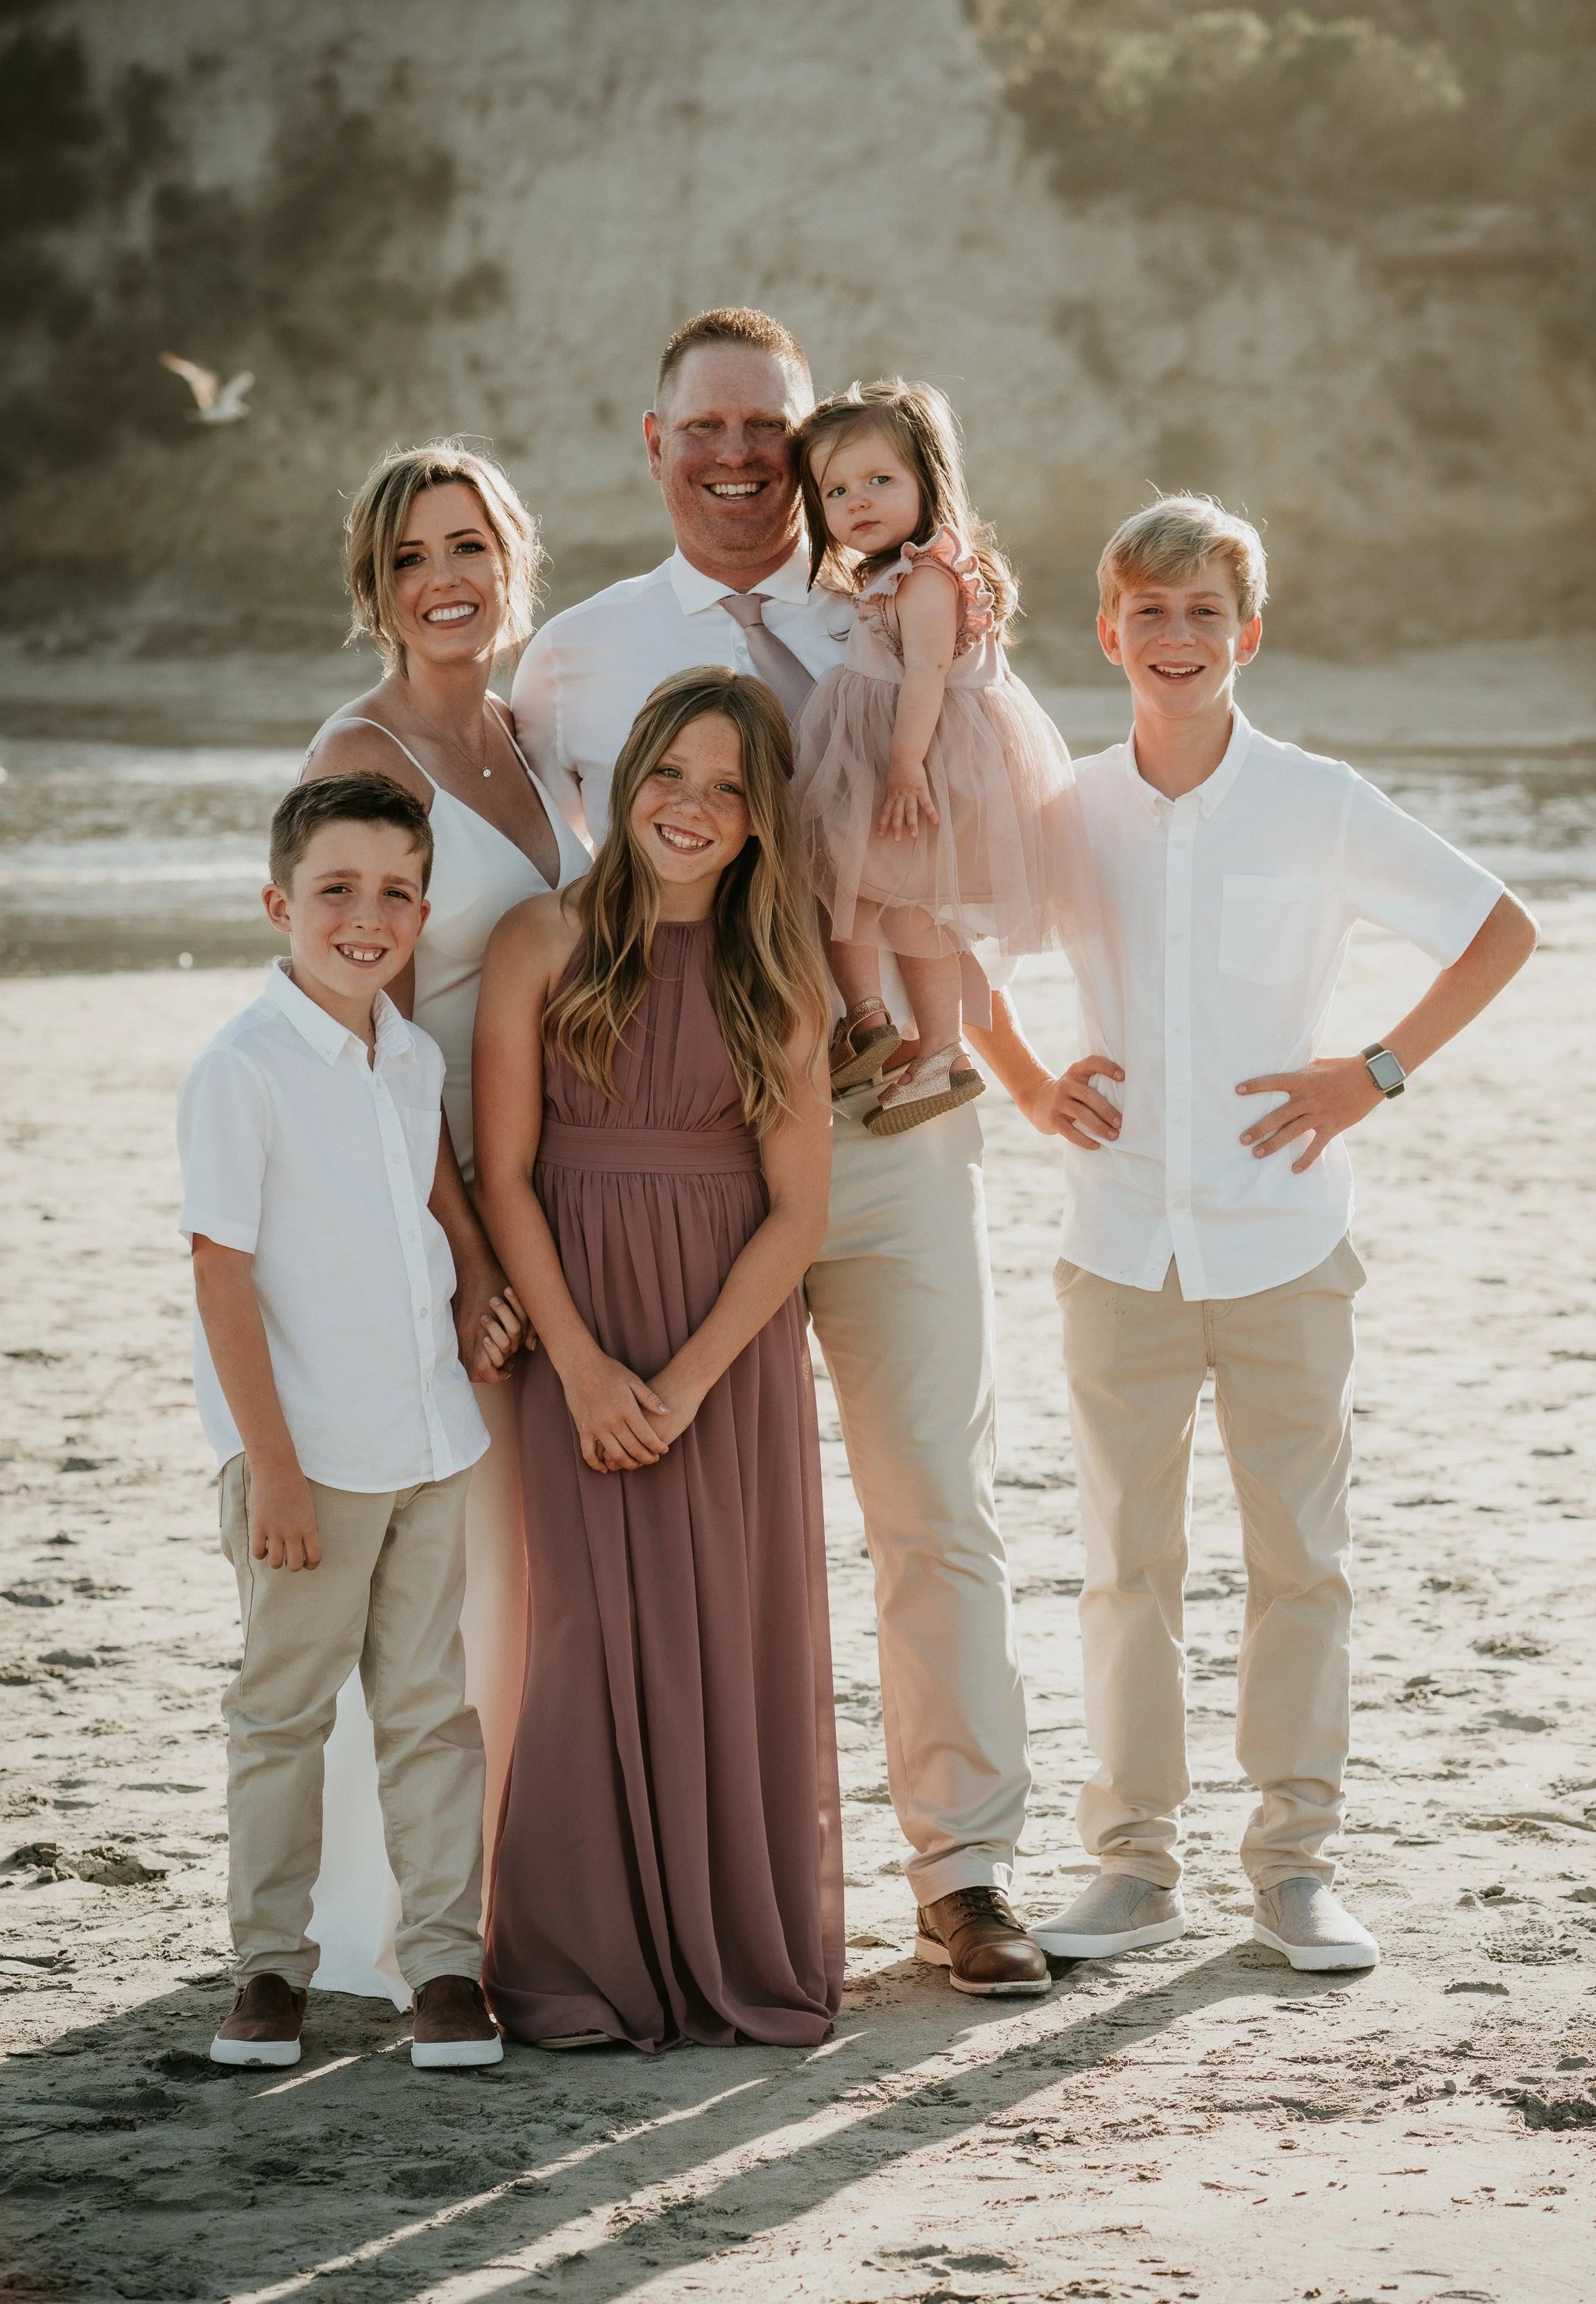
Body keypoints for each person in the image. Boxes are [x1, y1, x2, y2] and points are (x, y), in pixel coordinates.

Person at [511, 309, 1048, 1997]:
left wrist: (1010, 1061)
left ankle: (961, 1872)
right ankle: (655, 1884)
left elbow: (968, 841)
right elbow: (530, 916)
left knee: (930, 1496)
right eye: (710, 428)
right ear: (654, 442)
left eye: (774, 429)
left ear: (821, 449)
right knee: (661, 1524)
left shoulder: (906, 611)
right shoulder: (573, 661)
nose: (744, 457)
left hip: (879, 1114)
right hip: (663, 1151)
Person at [970, 495, 1538, 1972]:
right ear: (1106, 631)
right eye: (1146, 613)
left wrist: (1375, 1071)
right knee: (1122, 1564)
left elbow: (1497, 928)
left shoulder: (1319, 800)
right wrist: (1031, 1084)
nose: (1174, 638)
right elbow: (947, 950)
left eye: (1201, 612)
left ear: (1247, 634)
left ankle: (1291, 1863)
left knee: (1301, 1560)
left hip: (1283, 1240)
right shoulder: (1067, 807)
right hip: (1116, 1246)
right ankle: (1131, 1865)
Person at [473, 666, 839, 2050]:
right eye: (669, 775)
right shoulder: (539, 939)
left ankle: (725, 1947)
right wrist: (574, 1364)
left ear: (758, 823)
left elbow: (799, 1209)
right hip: (575, 1321)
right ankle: (577, 1959)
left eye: (726, 788)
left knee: (723, 1635)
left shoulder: (779, 962)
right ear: (625, 780)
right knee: (578, 1629)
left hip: (721, 1346)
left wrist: (683, 1379)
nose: (690, 806)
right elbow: (505, 1174)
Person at [299, 444, 588, 1997]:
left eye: (468, 543)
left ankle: (512, 1890)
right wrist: (473, 1254)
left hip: (557, 1196)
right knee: (451, 1572)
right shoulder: (367, 754)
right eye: (411, 557)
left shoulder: (531, 739)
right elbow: (369, 1036)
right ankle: (410, 1918)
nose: (444, 577)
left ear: (512, 555)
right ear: (378, 587)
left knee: (530, 1564)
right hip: (438, 1210)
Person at [178, 773, 512, 2068]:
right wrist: (271, 1469)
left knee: (433, 1709)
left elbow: (432, 1185)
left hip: (432, 1440)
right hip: (305, 1462)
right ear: (280, 903)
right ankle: (267, 1967)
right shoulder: (242, 1069)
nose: (365, 915)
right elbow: (220, 1273)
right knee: (283, 1714)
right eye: (335, 890)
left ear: (423, 911)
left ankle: (442, 1965)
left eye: (393, 892)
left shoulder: (409, 1051)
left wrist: (479, 1273)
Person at [792, 378, 1087, 1134]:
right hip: (901, 754)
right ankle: (894, 1034)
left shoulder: (928, 575)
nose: (858, 501)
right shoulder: (894, 573)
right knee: (871, 894)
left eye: (880, 480)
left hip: (926, 763)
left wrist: (901, 769)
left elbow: (925, 674)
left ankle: (913, 1040)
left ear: (930, 480)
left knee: (888, 898)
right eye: (836, 489)